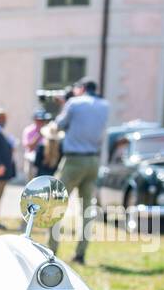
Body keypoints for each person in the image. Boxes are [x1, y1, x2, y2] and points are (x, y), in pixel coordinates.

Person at [53, 77, 110, 264]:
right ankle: (80, 253)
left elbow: (58, 125)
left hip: (73, 160)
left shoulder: (74, 103)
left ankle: (50, 250)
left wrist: (65, 103)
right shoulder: (105, 105)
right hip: (93, 160)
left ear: (82, 88)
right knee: (87, 210)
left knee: (56, 205)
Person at [22, 109, 46, 180]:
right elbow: (29, 147)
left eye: (42, 120)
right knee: (31, 181)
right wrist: (39, 135)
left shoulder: (48, 130)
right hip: (31, 159)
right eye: (38, 120)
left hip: (43, 160)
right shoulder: (29, 130)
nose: (40, 122)